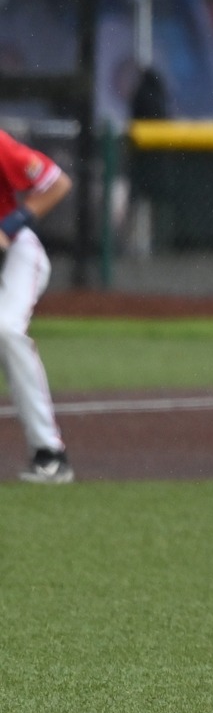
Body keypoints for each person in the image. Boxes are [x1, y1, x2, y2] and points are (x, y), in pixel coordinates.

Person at [0, 125, 73, 484]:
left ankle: (50, 454)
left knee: (5, 329)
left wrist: (10, 225)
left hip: (16, 253)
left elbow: (57, 183)